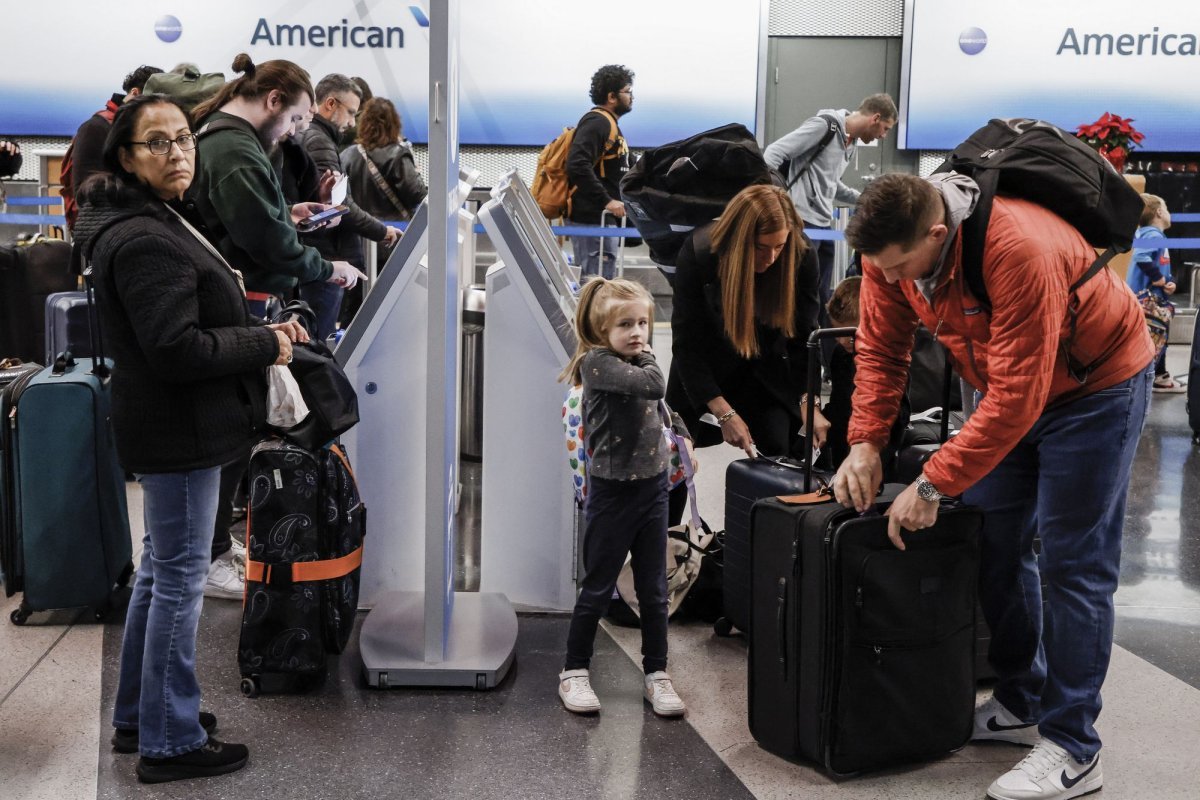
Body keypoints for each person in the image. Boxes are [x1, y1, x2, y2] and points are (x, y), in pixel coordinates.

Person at [835, 172, 1155, 800]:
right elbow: (881, 347)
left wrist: (931, 483)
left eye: (901, 267)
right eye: (880, 268)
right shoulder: (888, 251)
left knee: (1074, 566)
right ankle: (1023, 697)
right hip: (1009, 385)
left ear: (937, 231)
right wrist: (865, 439)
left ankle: (1073, 745)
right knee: (995, 544)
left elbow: (1019, 397)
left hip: (1097, 389)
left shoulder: (1018, 249)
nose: (892, 279)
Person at [73, 93, 307, 783]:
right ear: (126, 156)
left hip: (175, 426)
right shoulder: (144, 237)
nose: (178, 153)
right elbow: (175, 349)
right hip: (180, 429)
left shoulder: (150, 216)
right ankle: (169, 741)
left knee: (161, 572)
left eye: (183, 139)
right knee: (178, 580)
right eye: (159, 143)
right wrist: (262, 342)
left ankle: (139, 717)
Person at [557, 277, 692, 718]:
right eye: (625, 325)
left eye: (642, 323)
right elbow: (655, 386)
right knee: (597, 586)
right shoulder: (599, 364)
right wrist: (651, 355)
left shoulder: (632, 363)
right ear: (600, 332)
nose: (637, 333)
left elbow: (661, 410)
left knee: (654, 590)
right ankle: (574, 670)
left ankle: (657, 672)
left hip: (652, 490)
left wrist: (684, 440)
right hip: (613, 495)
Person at [189, 54, 366, 319]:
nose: (294, 131)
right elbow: (269, 243)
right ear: (273, 100)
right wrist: (329, 269)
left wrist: (287, 211)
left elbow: (243, 214)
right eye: (294, 118)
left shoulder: (225, 135)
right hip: (243, 298)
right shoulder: (236, 152)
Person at [666, 184, 826, 468]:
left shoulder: (800, 255)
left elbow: (804, 337)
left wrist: (808, 401)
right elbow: (686, 343)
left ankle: (770, 512)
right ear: (739, 240)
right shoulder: (701, 252)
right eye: (761, 247)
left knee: (780, 454)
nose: (771, 258)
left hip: (763, 368)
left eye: (780, 246)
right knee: (676, 462)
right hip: (703, 366)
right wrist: (723, 413)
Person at [763, 93, 896, 313]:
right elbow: (773, 153)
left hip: (823, 224)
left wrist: (865, 199)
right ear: (875, 117)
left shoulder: (850, 144)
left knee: (820, 296)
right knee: (798, 295)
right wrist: (778, 201)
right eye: (886, 128)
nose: (883, 136)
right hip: (802, 222)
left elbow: (832, 184)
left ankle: (814, 343)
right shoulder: (824, 127)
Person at [297, 74, 401, 340]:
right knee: (317, 343)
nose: (353, 122)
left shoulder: (319, 138)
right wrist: (381, 231)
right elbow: (339, 205)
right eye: (351, 113)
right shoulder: (320, 141)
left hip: (320, 255)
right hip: (325, 255)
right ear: (330, 104)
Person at [61, 65, 163, 232]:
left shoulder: (138, 130)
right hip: (104, 233)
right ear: (135, 93)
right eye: (152, 101)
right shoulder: (95, 128)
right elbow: (85, 195)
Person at [565, 64, 634, 281]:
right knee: (596, 285)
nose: (632, 96)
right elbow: (576, 165)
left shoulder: (609, 124)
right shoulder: (598, 122)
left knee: (603, 282)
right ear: (612, 96)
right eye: (627, 91)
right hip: (592, 218)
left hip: (602, 220)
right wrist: (607, 201)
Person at [1127, 193, 1183, 392]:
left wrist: (1168, 282)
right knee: (1156, 338)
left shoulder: (1145, 233)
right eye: (1166, 209)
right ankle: (1148, 378)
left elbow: (1157, 263)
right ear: (1159, 212)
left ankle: (1160, 375)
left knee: (1157, 338)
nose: (1169, 213)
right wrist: (1158, 279)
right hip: (1149, 301)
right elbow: (1142, 257)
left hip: (1145, 297)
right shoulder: (1153, 234)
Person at [342, 97, 427, 224]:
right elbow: (417, 195)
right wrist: (417, 170)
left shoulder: (348, 154)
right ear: (394, 123)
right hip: (395, 230)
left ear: (364, 123)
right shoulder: (398, 154)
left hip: (359, 230)